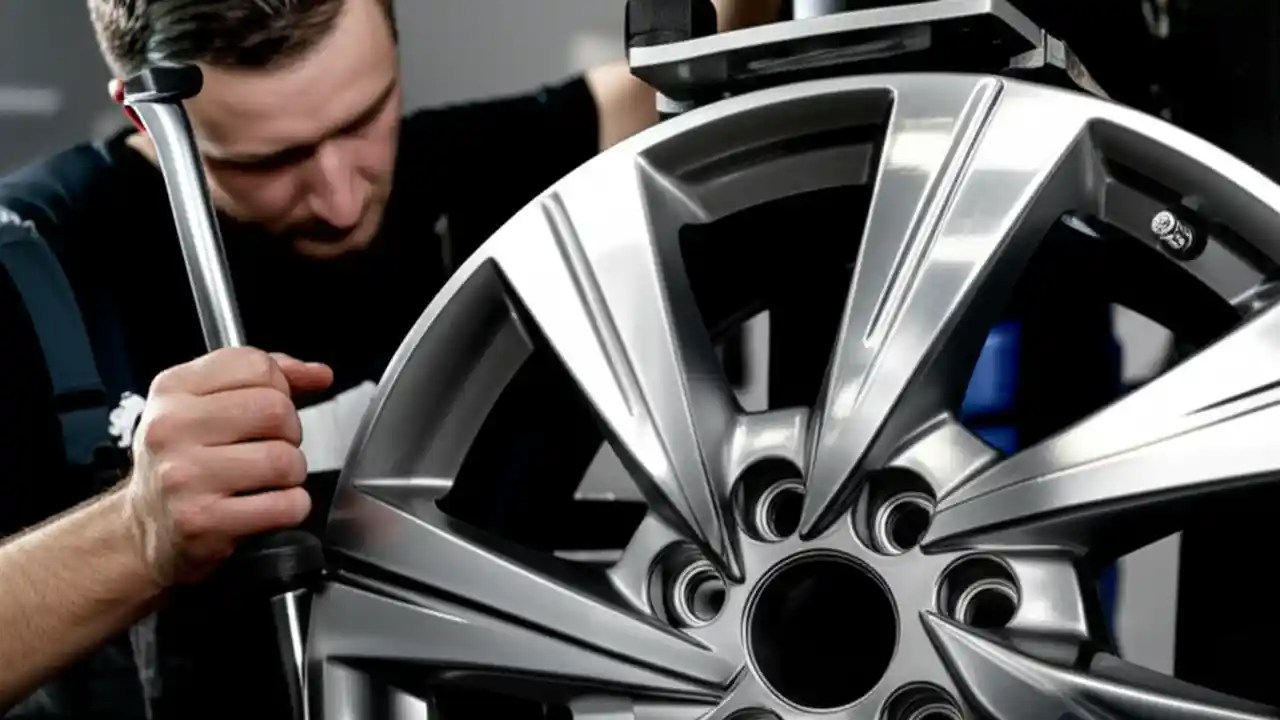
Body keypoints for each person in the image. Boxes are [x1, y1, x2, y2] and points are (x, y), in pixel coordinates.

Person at [0, 0, 781, 717]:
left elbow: (683, 81)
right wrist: (137, 531)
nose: (341, 198)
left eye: (367, 116)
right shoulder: (36, 271)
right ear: (142, 109)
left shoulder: (459, 169)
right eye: (270, 162)